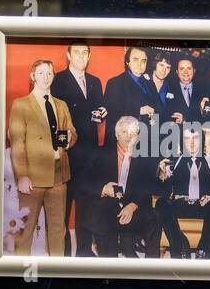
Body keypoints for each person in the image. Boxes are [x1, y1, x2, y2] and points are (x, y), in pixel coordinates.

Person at [9, 59, 77, 256]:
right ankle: (20, 276)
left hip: (59, 176)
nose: (46, 77)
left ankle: (56, 277)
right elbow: (17, 144)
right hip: (32, 178)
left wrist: (71, 138)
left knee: (58, 230)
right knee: (25, 231)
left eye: (49, 73)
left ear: (53, 76)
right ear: (32, 77)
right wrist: (22, 175)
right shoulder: (21, 105)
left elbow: (72, 132)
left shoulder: (61, 105)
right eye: (41, 73)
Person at [51, 41, 107, 256]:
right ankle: (64, 257)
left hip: (90, 156)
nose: (82, 56)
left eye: (85, 52)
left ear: (89, 56)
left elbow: (101, 108)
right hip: (68, 154)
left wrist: (103, 110)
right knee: (64, 208)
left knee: (87, 207)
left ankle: (84, 253)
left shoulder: (95, 82)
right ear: (68, 54)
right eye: (77, 52)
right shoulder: (58, 80)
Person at [84, 116, 161, 258]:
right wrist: (103, 189)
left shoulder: (145, 156)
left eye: (133, 132)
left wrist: (132, 205)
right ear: (116, 134)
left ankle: (152, 270)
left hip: (132, 205)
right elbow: (84, 181)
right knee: (109, 255)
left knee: (153, 219)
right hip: (108, 206)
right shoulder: (101, 153)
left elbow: (148, 184)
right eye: (124, 132)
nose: (128, 136)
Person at [156, 126, 210, 259]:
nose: (192, 142)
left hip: (204, 206)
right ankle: (180, 246)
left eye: (196, 138)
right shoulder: (173, 160)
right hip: (180, 205)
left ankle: (203, 250)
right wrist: (162, 177)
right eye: (187, 139)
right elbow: (162, 187)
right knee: (161, 203)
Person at [103, 46, 157, 134]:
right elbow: (112, 112)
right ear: (127, 62)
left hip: (145, 138)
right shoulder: (115, 83)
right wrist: (138, 111)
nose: (140, 64)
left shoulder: (150, 84)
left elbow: (157, 106)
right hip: (125, 139)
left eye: (143, 61)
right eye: (136, 59)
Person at [168, 55, 204, 123]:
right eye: (182, 69)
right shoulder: (169, 88)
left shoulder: (202, 90)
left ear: (194, 71)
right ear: (177, 72)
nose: (185, 72)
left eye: (189, 68)